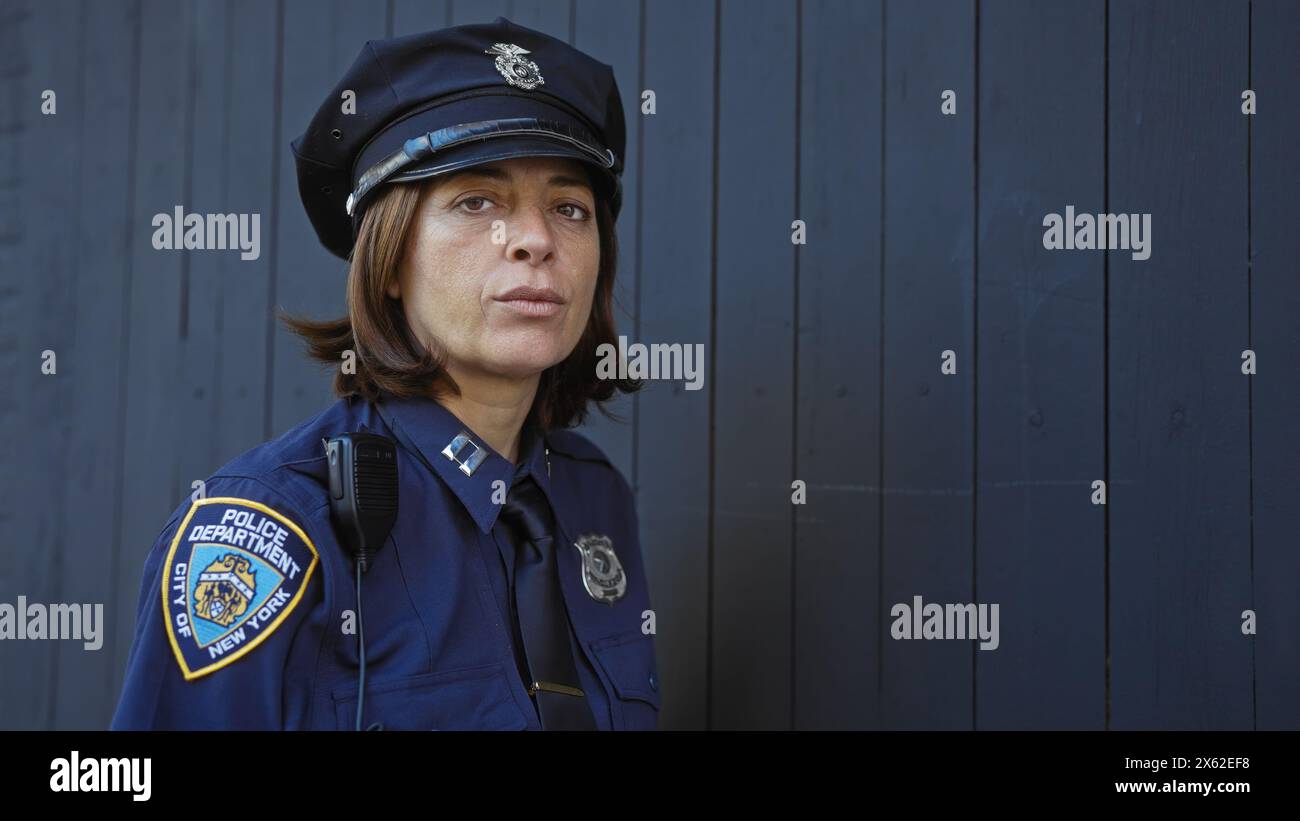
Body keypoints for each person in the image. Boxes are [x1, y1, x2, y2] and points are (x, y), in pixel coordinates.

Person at [110, 16, 658, 730]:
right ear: (390, 259)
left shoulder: (592, 496)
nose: (534, 239)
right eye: (476, 201)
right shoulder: (269, 532)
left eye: (569, 207)